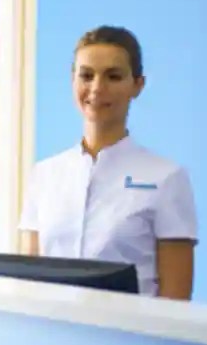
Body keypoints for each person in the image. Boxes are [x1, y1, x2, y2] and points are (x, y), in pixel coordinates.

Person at [19, 26, 197, 299]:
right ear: (72, 81)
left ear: (137, 85)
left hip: (128, 339)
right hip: (52, 335)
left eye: (113, 76)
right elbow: (27, 284)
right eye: (86, 76)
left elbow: (176, 300)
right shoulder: (44, 175)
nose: (97, 88)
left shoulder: (167, 178)